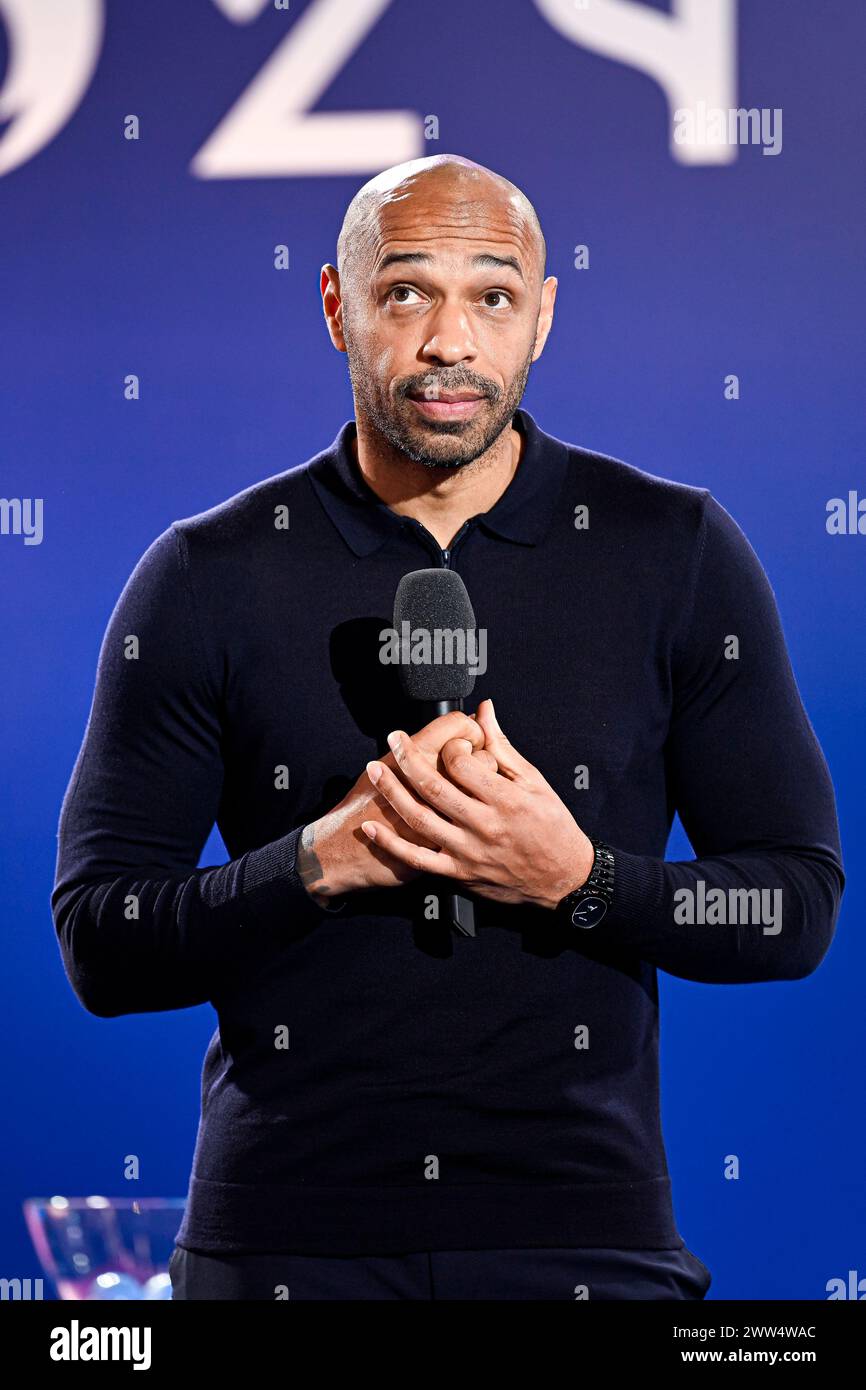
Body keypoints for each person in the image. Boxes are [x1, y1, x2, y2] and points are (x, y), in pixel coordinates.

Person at [52, 154, 844, 1301]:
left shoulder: (669, 551)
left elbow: (791, 907)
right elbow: (101, 937)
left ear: (543, 316)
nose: (449, 343)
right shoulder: (206, 574)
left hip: (585, 1241)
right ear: (337, 307)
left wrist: (578, 877)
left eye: (493, 295)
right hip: (279, 1244)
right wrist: (310, 865)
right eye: (407, 292)